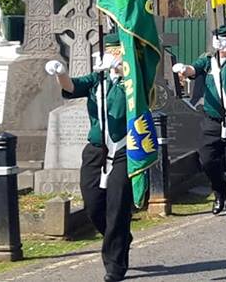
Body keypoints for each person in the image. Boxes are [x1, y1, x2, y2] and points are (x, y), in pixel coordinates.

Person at [45, 33, 132, 282]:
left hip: (124, 149)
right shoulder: (97, 80)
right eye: (110, 52)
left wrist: (123, 73)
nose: (111, 56)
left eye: (116, 52)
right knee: (93, 202)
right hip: (96, 149)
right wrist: (61, 72)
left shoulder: (133, 83)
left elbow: (145, 98)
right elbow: (71, 87)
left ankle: (115, 264)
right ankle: (119, 236)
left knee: (117, 204)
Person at [172, 27, 226, 219]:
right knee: (207, 159)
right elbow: (194, 70)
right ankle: (220, 191)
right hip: (212, 120)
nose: (222, 44)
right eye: (220, 40)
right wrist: (184, 69)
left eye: (225, 40)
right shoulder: (209, 60)